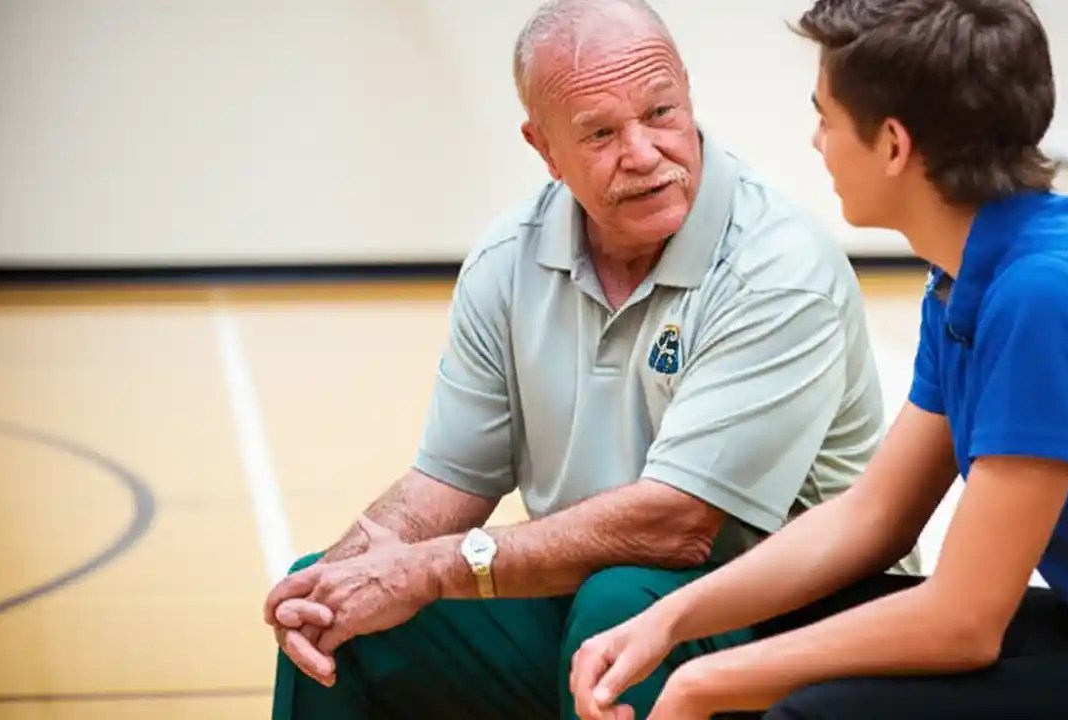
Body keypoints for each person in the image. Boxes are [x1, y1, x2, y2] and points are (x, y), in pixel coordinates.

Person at [567, 0, 1068, 718]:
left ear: (895, 145)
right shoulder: (971, 275)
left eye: (827, 119)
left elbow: (963, 623)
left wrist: (702, 684)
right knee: (779, 632)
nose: (816, 142)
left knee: (808, 711)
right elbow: (874, 518)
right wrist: (673, 620)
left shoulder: (1045, 297)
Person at [260, 1, 911, 718]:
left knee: (617, 602)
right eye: (600, 133)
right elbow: (447, 483)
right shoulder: (509, 258)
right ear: (543, 149)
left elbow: (679, 525)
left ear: (688, 93)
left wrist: (437, 568)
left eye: (661, 113)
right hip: (604, 598)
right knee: (336, 609)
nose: (642, 152)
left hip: (800, 617)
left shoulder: (775, 265)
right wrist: (350, 571)